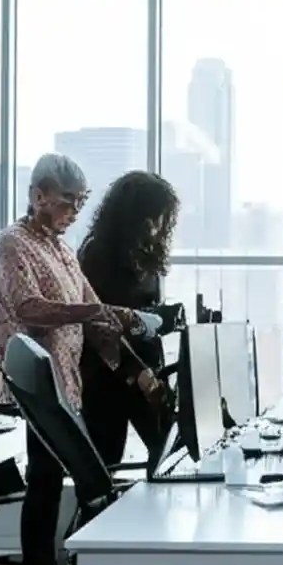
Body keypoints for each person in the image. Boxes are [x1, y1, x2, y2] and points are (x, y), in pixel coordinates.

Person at [0, 154, 163, 565]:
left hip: (68, 386)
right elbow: (30, 308)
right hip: (36, 388)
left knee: (50, 490)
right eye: (68, 201)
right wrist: (102, 310)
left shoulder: (61, 249)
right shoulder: (13, 245)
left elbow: (95, 317)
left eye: (81, 202)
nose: (74, 210)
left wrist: (131, 352)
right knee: (48, 490)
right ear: (38, 194)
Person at [78, 171, 181, 466]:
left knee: (170, 457)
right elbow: (99, 325)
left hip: (145, 376)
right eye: (154, 217)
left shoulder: (147, 256)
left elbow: (146, 318)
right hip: (107, 378)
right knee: (104, 468)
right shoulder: (97, 254)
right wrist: (138, 372)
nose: (159, 226)